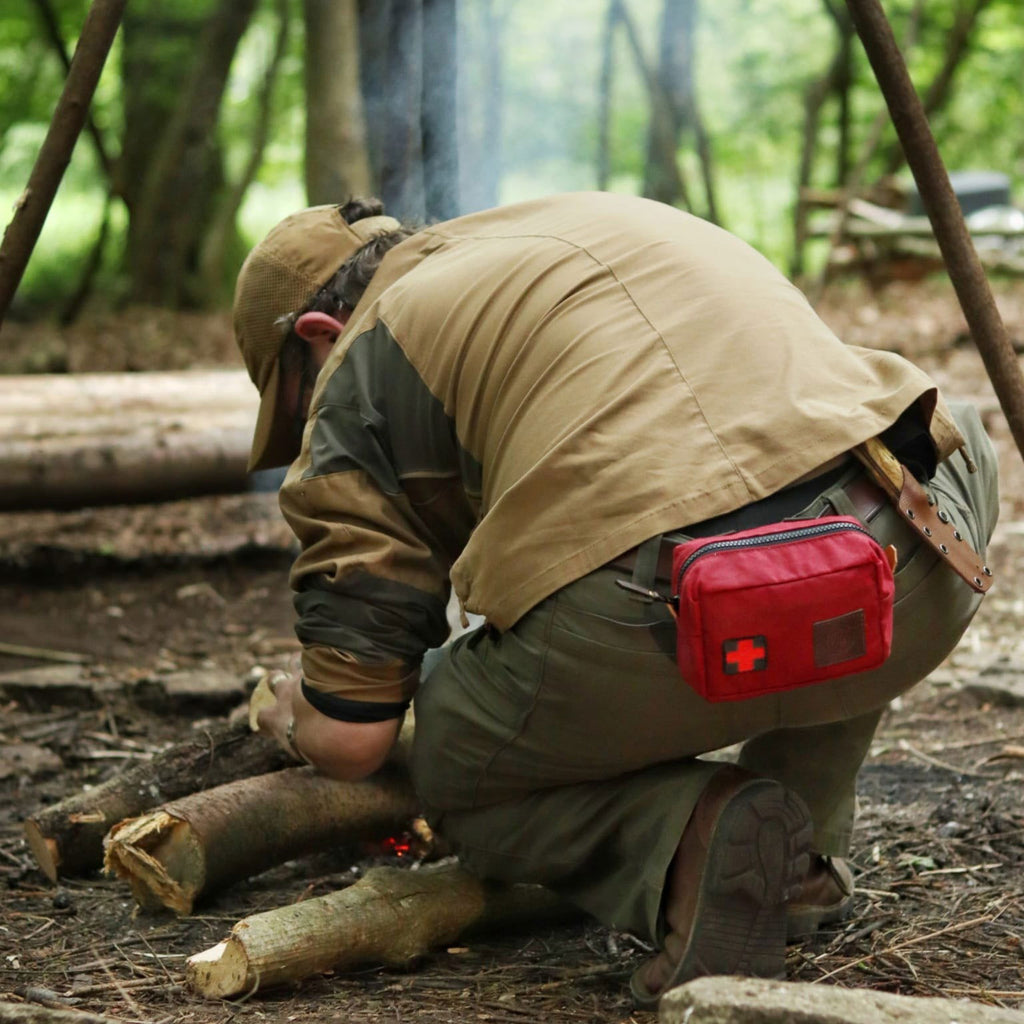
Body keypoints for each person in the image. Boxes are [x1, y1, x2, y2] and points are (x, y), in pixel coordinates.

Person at [233, 192, 998, 1009]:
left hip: (675, 613)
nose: (304, 435)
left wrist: (294, 715)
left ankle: (690, 842)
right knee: (823, 544)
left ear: (318, 336)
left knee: (451, 755)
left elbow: (353, 740)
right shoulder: (580, 221)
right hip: (918, 545)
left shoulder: (360, 360)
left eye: (293, 407)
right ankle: (798, 852)